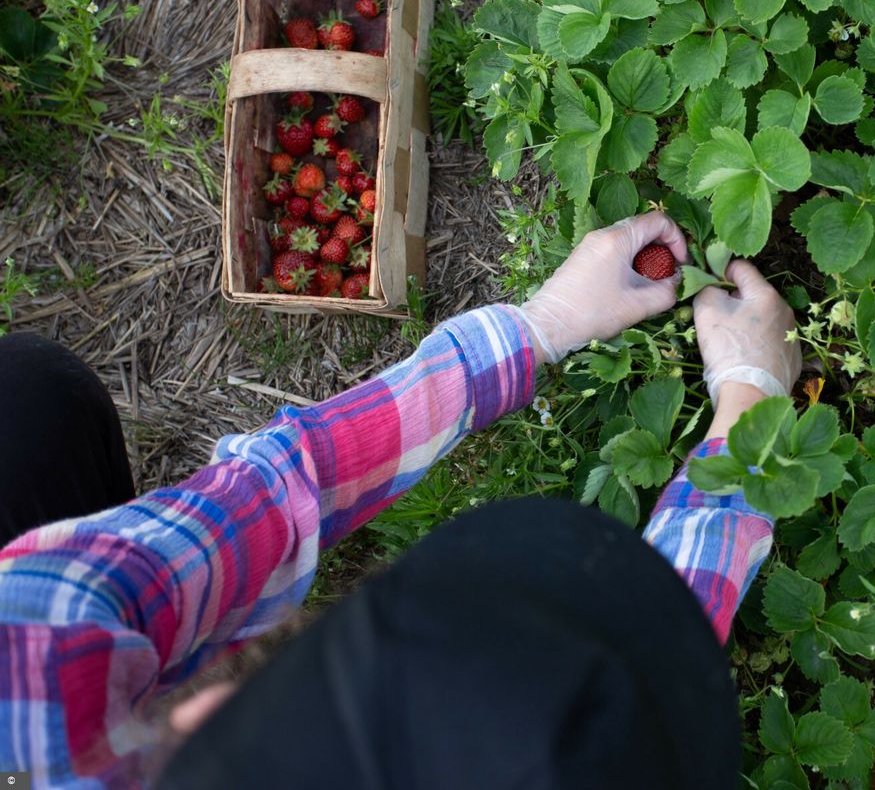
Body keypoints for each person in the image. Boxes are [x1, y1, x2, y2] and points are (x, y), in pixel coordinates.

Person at [0, 212, 801, 788]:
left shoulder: (37, 633)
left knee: (27, 405)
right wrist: (748, 411)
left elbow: (273, 493)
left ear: (194, 721)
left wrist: (540, 326)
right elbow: (646, 673)